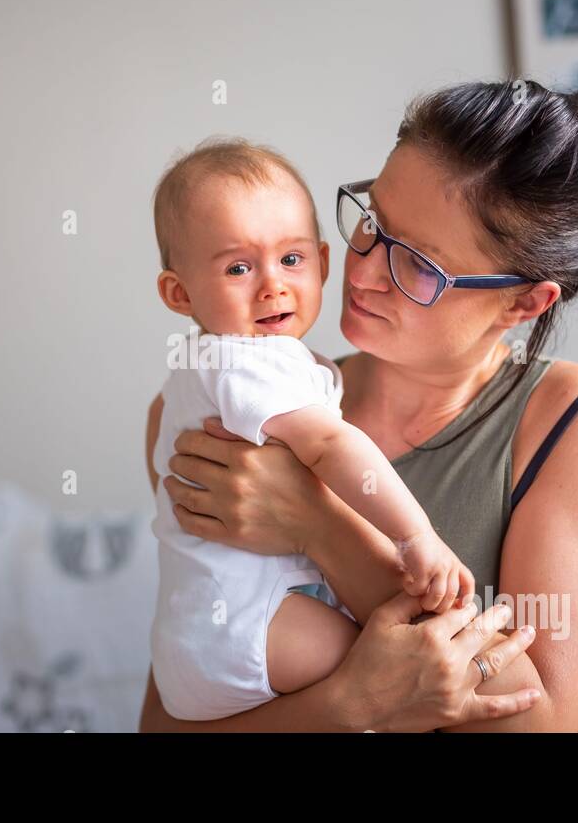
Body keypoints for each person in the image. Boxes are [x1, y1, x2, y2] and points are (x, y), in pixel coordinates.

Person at [140, 80, 578, 731]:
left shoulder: (575, 420)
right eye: (372, 223)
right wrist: (348, 704)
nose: (362, 270)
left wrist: (315, 522)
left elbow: (530, 725)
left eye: (417, 265)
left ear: (524, 303)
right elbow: (167, 720)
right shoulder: (225, 416)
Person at [147, 139, 476, 721]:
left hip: (205, 635)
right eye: (239, 268)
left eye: (292, 260)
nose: (272, 285)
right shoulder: (245, 361)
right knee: (407, 671)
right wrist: (416, 537)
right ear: (180, 293)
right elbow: (329, 445)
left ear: (322, 261)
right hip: (253, 627)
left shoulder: (210, 368)